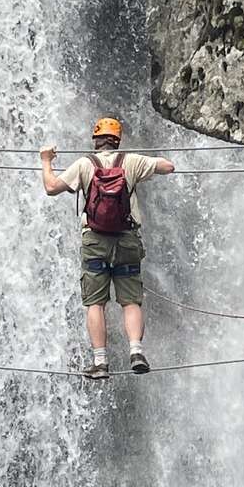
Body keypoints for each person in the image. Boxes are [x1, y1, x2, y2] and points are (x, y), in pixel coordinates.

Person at [40, 117, 175, 379]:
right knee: (130, 301)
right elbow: (168, 166)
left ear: (96, 140)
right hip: (126, 240)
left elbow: (51, 187)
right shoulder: (131, 161)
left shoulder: (84, 164)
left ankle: (100, 362)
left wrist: (46, 161)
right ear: (117, 141)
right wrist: (153, 162)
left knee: (95, 303)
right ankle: (136, 352)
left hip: (95, 241)